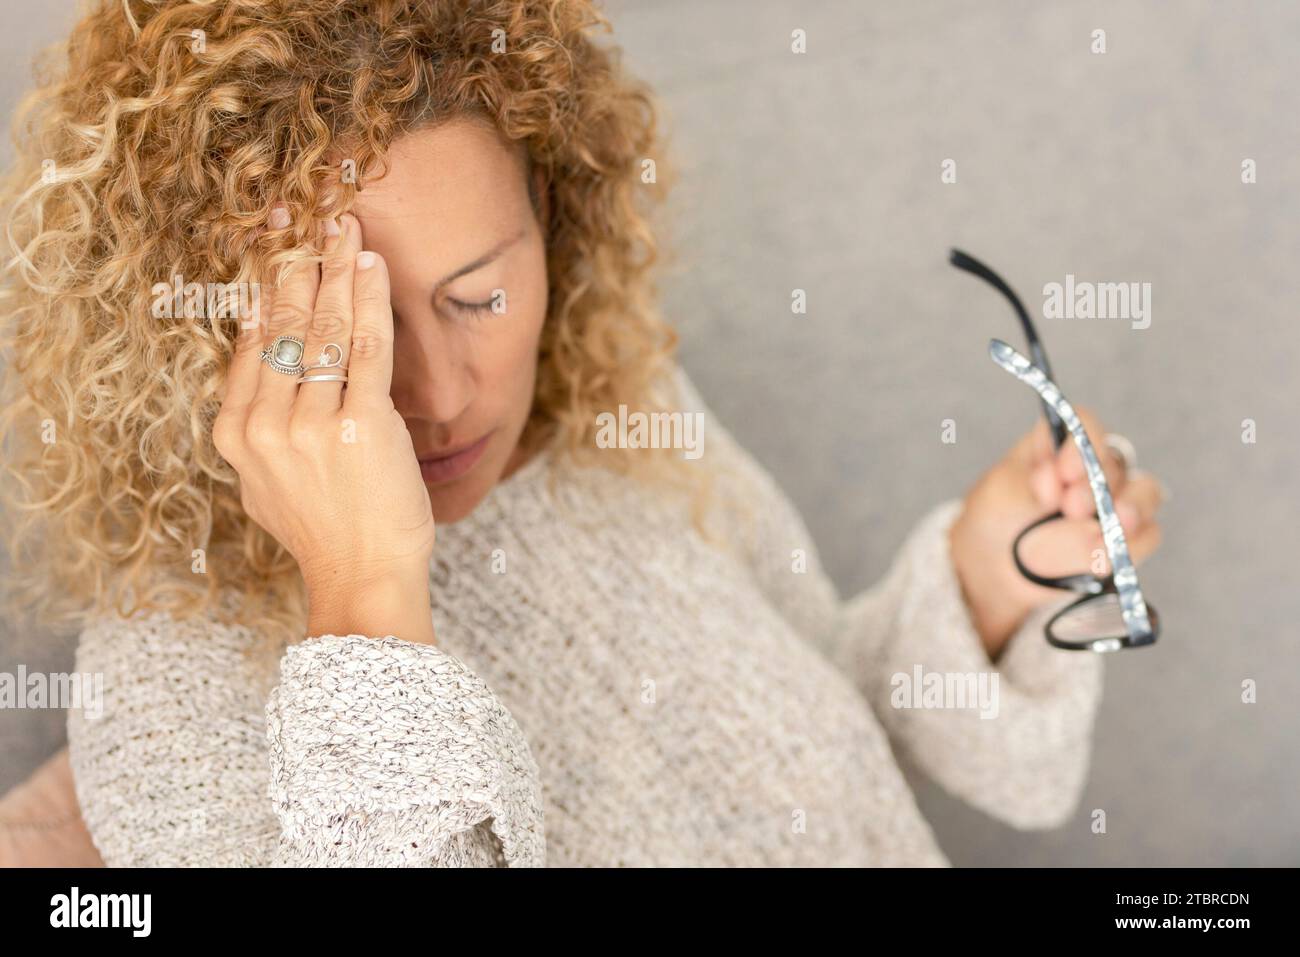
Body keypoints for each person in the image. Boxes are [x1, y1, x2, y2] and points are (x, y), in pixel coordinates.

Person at [0, 0, 1164, 866]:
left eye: (478, 295)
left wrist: (995, 575)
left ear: (552, 224)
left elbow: (803, 743)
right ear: (198, 324)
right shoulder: (166, 684)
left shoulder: (625, 422)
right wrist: (363, 597)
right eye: (346, 336)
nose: (444, 392)